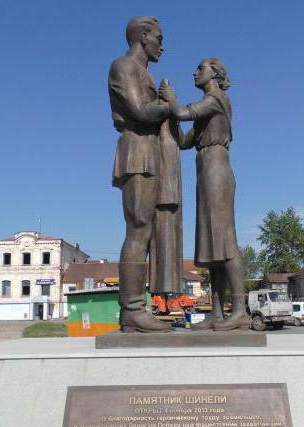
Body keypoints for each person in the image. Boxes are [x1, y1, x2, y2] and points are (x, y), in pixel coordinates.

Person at [160, 58, 248, 330]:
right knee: (211, 246)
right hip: (205, 169)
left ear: (215, 73)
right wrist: (166, 118)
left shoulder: (217, 99)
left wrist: (171, 100)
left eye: (200, 68)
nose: (194, 72)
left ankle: (241, 310)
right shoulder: (207, 107)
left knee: (224, 241)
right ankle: (218, 313)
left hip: (216, 170)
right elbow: (186, 141)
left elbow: (184, 113)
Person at [108, 16, 181, 333]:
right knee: (138, 230)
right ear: (142, 37)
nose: (162, 45)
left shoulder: (144, 72)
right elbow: (139, 111)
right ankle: (133, 311)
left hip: (151, 151)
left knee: (147, 234)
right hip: (136, 150)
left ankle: (139, 309)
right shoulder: (124, 67)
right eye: (158, 38)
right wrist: (170, 105)